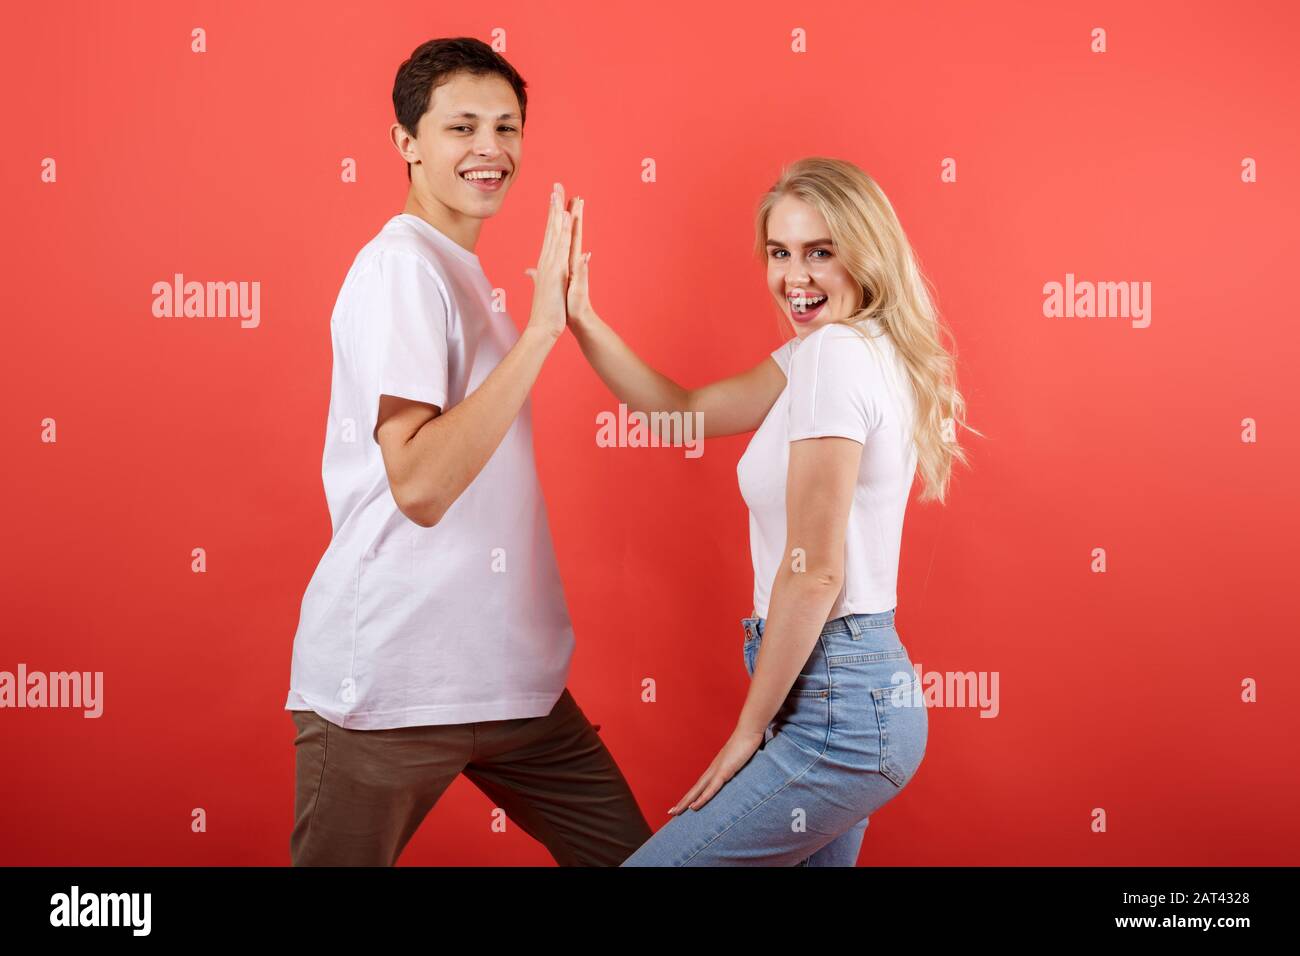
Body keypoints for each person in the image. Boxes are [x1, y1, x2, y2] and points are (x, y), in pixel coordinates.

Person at [282, 37, 651, 866]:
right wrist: (544, 331)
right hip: (389, 689)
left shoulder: (464, 277)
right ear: (405, 143)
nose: (491, 148)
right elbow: (417, 484)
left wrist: (558, 319)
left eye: (507, 127)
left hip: (512, 685)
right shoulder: (400, 270)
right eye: (462, 128)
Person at [560, 157, 977, 865]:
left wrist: (747, 733)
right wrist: (581, 319)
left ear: (867, 252)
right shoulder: (837, 352)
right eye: (780, 253)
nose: (795, 277)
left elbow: (815, 572)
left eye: (821, 252)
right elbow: (682, 413)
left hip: (837, 711)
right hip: (854, 696)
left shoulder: (835, 356)